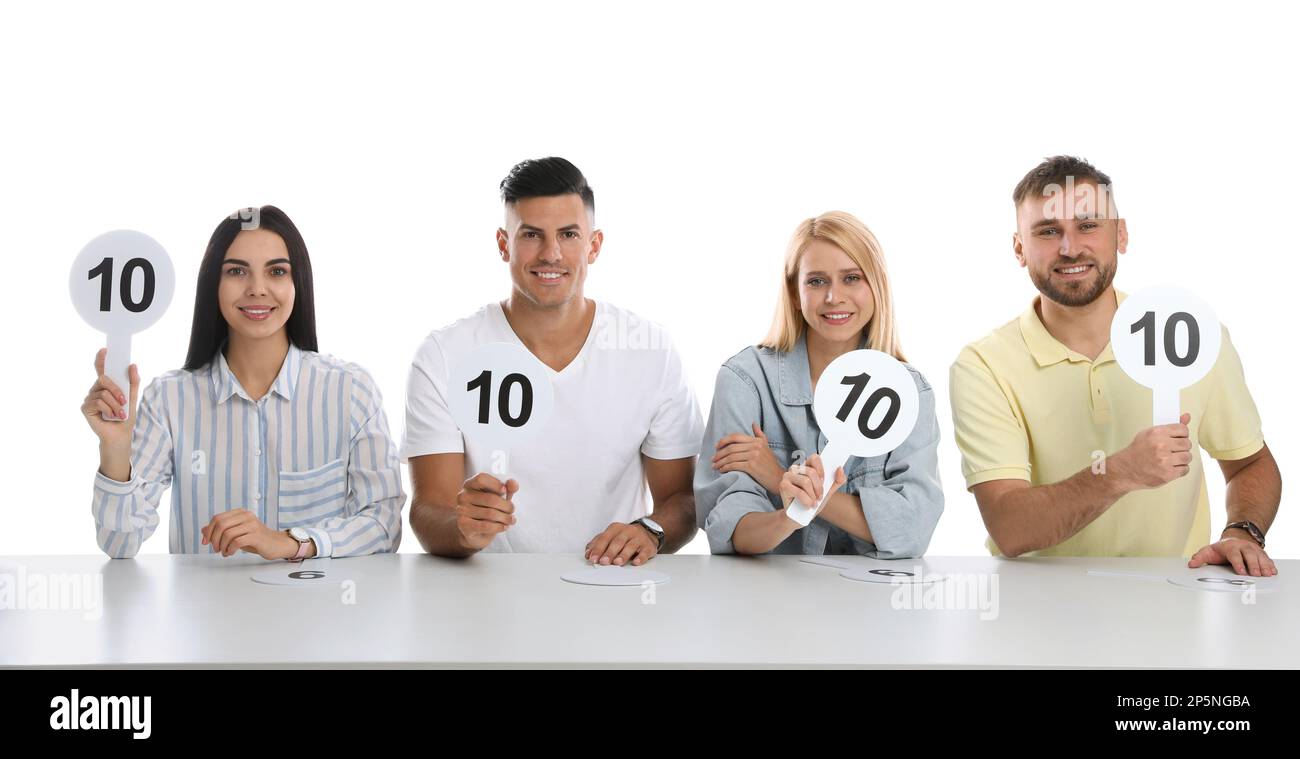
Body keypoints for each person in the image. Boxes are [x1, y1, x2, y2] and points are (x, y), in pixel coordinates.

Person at [949, 156, 1280, 576]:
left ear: (1120, 234)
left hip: (1174, 607)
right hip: (1033, 616)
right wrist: (1120, 471)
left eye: (1088, 225)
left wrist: (1242, 532)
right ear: (1019, 248)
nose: (1070, 248)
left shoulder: (1191, 335)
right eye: (1049, 231)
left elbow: (1250, 463)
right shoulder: (984, 365)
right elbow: (1009, 527)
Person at [402, 157, 702, 565]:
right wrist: (463, 529)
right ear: (503, 244)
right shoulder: (443, 355)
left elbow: (682, 499)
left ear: (593, 245)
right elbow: (427, 510)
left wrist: (650, 531)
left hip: (611, 587)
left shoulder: (651, 351)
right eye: (531, 234)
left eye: (568, 234)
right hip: (485, 598)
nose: (551, 253)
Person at [83, 206, 404, 559]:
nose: (257, 289)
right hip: (203, 612)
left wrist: (290, 543)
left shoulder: (350, 392)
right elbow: (118, 544)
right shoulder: (169, 399)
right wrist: (115, 448)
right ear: (213, 284)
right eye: (237, 271)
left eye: (277, 271)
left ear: (298, 284)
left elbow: (383, 525)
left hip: (316, 610)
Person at [694, 211, 943, 555]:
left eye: (852, 278)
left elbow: (912, 529)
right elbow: (730, 531)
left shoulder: (907, 391)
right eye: (816, 281)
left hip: (867, 601)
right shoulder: (745, 379)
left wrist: (780, 475)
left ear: (876, 286)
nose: (834, 297)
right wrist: (790, 517)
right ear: (795, 293)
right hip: (764, 600)